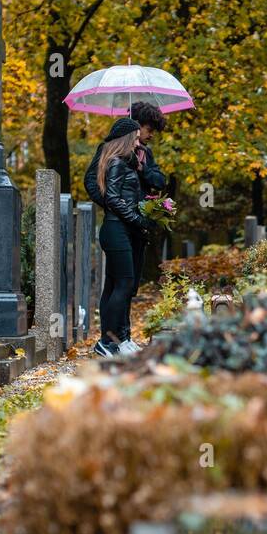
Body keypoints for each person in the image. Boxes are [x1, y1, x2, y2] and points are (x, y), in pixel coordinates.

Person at [85, 102, 168, 351]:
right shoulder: (109, 151)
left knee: (128, 285)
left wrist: (142, 169)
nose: (151, 134)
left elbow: (159, 180)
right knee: (119, 283)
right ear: (135, 127)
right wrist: (118, 208)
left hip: (137, 227)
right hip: (121, 222)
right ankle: (111, 340)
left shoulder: (145, 155)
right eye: (147, 128)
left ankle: (124, 338)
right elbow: (92, 182)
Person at [89, 119, 151, 357]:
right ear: (125, 139)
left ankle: (120, 339)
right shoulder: (116, 162)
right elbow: (113, 199)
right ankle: (107, 341)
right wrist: (138, 219)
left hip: (121, 230)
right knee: (124, 284)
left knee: (117, 285)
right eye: (135, 137)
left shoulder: (127, 163)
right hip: (116, 230)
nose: (139, 141)